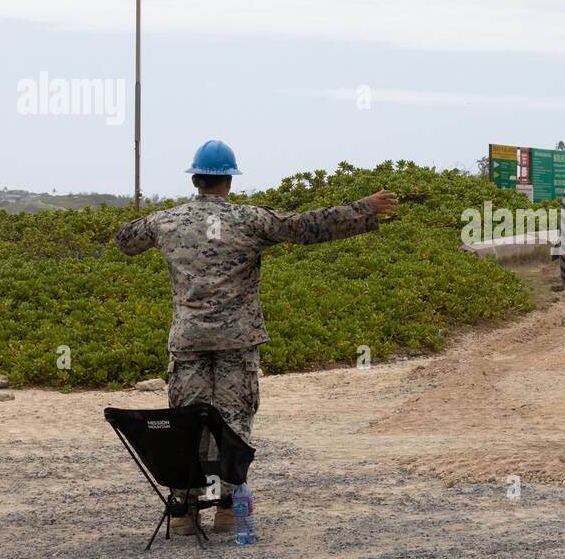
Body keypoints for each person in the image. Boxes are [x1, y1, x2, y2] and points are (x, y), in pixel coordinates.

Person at [115, 140, 397, 535]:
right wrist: (363, 209)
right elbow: (304, 228)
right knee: (233, 421)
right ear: (228, 181)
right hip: (237, 340)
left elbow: (126, 241)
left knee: (185, 422)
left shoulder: (166, 222)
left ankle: (184, 510)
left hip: (189, 340)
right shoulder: (249, 221)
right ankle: (229, 508)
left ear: (194, 178)